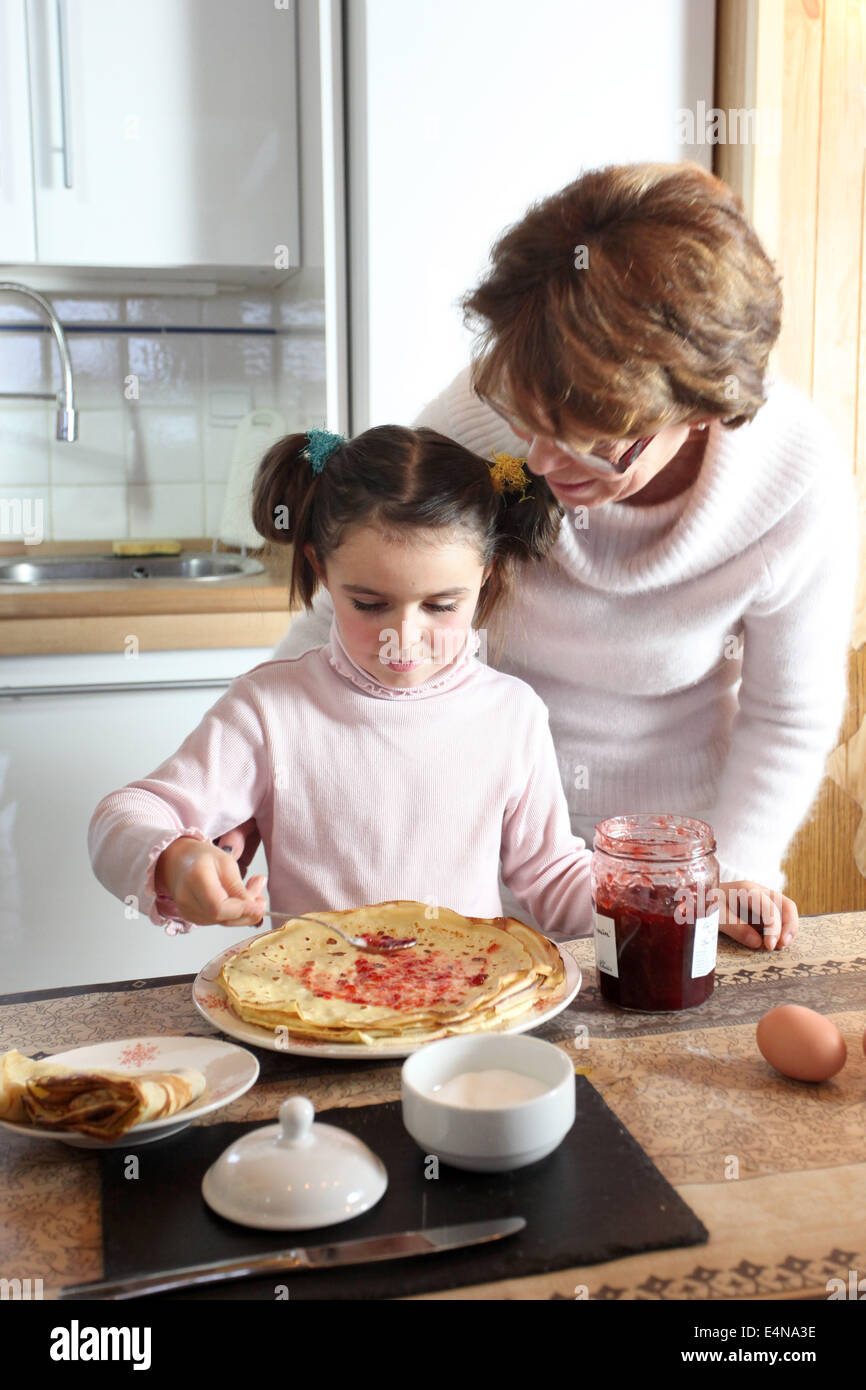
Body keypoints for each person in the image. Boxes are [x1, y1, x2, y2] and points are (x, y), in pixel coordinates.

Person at [271, 161, 861, 951]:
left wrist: (730, 870)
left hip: (678, 857)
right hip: (482, 844)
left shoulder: (797, 480)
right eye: (530, 425)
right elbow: (353, 609)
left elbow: (788, 714)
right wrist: (249, 774)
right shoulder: (481, 419)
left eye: (593, 446)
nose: (543, 463)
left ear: (702, 406)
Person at [88, 425, 595, 939]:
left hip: (468, 1011)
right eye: (370, 605)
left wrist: (640, 898)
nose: (404, 636)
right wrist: (177, 858)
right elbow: (121, 818)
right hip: (311, 1007)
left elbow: (552, 874)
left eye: (441, 606)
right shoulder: (269, 709)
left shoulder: (513, 714)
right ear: (321, 569)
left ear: (484, 575)